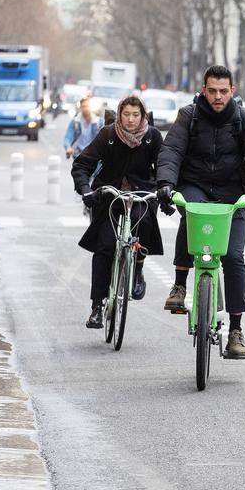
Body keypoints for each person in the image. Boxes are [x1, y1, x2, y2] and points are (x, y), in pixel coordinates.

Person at [156, 65, 245, 360]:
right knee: (189, 211)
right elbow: (172, 151)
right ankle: (180, 284)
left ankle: (235, 330)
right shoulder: (188, 115)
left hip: (233, 194)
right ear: (203, 90)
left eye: (223, 91)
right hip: (196, 185)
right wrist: (166, 185)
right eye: (212, 91)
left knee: (233, 257)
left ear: (232, 90)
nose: (218, 97)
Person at [71, 95, 165, 327]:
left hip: (141, 195)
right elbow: (83, 164)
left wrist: (166, 193)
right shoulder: (108, 135)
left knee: (143, 224)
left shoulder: (152, 137)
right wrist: (85, 190)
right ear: (119, 115)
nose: (131, 120)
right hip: (109, 196)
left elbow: (165, 167)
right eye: (126, 114)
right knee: (104, 245)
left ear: (143, 116)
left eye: (136, 115)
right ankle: (96, 306)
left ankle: (138, 269)